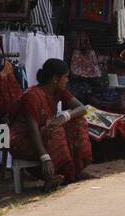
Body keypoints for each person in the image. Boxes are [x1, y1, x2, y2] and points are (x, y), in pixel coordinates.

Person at [8, 58, 93, 190]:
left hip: (44, 136)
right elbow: (33, 129)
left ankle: (74, 172)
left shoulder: (59, 91)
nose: (67, 80)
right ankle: (52, 176)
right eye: (65, 77)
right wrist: (45, 158)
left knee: (78, 122)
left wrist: (65, 116)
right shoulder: (32, 96)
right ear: (55, 79)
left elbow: (82, 109)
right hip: (24, 141)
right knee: (55, 129)